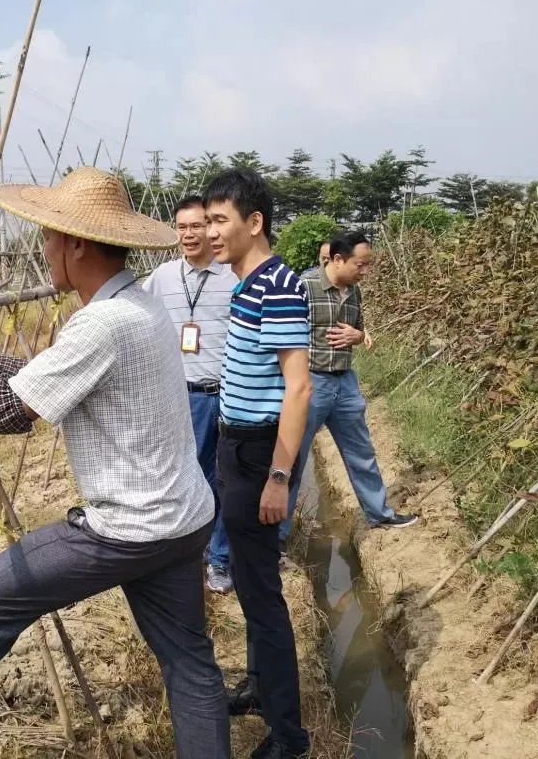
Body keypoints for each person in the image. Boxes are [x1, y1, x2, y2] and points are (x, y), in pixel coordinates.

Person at [0, 167, 231, 759]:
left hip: (130, 528)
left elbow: (6, 411)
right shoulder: (138, 306)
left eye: (48, 236)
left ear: (75, 243)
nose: (43, 248)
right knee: (189, 661)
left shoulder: (101, 323)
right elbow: (51, 382)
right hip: (184, 517)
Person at [204, 168, 312, 759]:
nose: (212, 232)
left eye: (221, 220)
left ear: (255, 223)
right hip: (235, 446)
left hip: (258, 455)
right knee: (248, 583)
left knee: (264, 595)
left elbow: (298, 389)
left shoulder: (281, 287)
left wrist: (278, 478)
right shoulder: (247, 284)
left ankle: (290, 737)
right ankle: (258, 684)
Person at [279, 231, 418, 551]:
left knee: (362, 452)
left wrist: (357, 336)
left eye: (367, 265)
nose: (365, 271)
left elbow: (359, 330)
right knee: (294, 458)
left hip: (346, 382)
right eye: (360, 264)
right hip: (311, 384)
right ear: (338, 259)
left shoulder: (354, 292)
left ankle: (379, 514)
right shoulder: (305, 287)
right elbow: (285, 332)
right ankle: (278, 537)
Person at [144, 195, 238, 594]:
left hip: (225, 393)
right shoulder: (162, 278)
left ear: (210, 228)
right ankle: (184, 553)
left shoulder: (232, 277)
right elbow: (136, 318)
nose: (188, 234)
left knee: (224, 479)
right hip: (177, 394)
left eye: (196, 226)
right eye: (181, 227)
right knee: (181, 475)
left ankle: (218, 559)